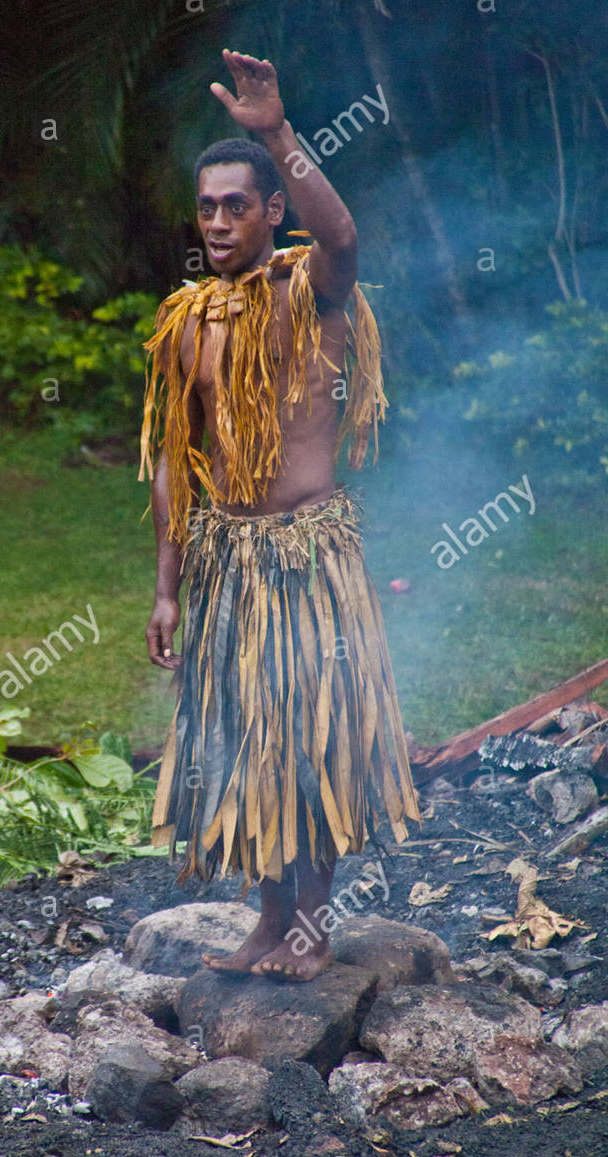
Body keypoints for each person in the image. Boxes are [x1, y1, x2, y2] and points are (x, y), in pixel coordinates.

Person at [140, 49, 420, 981]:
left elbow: (342, 237)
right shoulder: (186, 323)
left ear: (270, 212)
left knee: (311, 734)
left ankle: (311, 921)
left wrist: (277, 135)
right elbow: (173, 468)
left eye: (237, 204)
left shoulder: (314, 295)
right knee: (245, 740)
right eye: (207, 205)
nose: (219, 221)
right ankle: (269, 917)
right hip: (227, 560)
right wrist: (168, 590)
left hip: (308, 555)